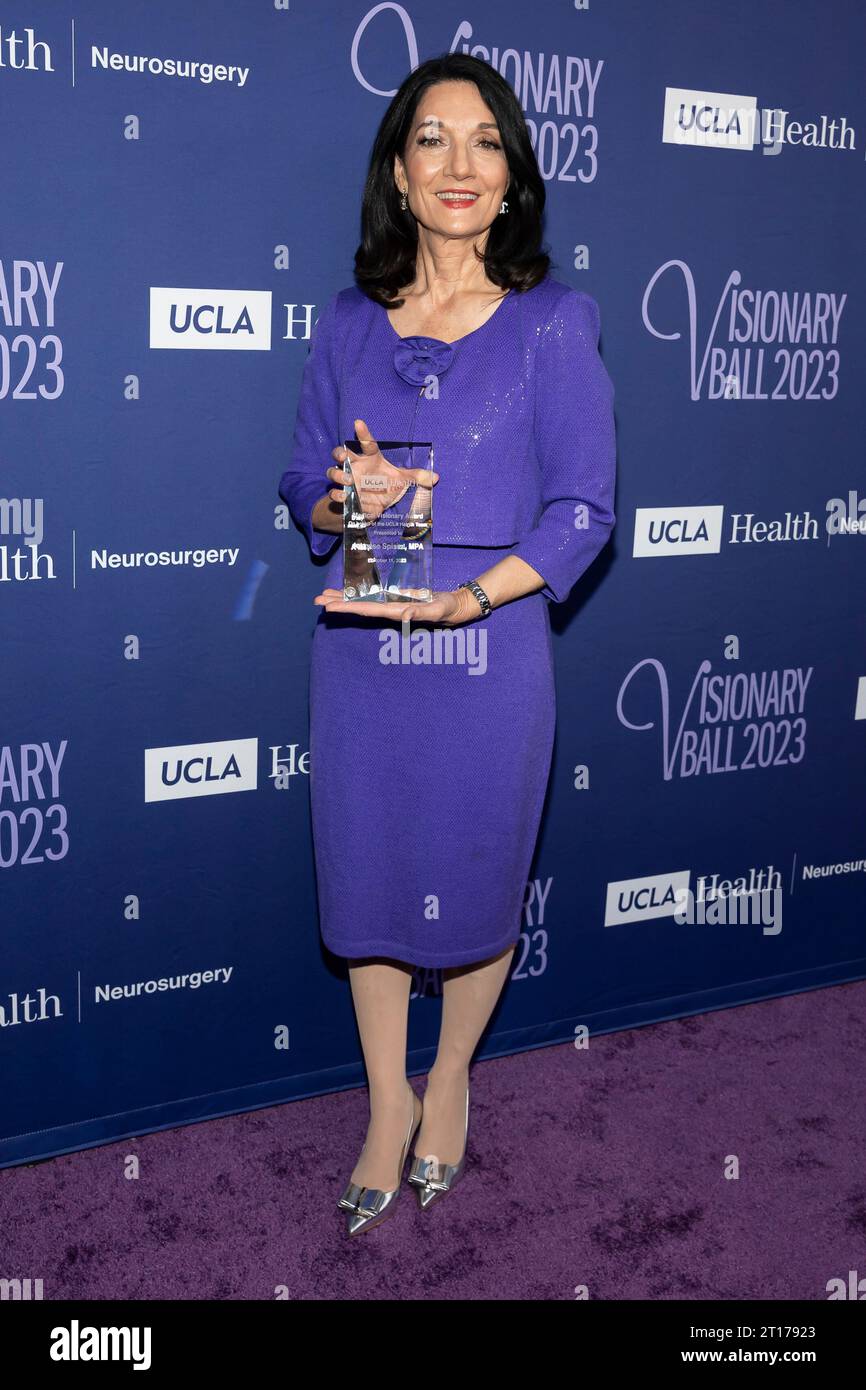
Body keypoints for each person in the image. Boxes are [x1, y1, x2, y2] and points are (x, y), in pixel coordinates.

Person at [279, 51, 617, 1236]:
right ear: (397, 170)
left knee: (477, 877)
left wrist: (471, 603)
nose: (459, 163)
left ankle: (452, 1075)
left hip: (487, 658)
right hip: (363, 657)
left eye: (485, 142)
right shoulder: (342, 324)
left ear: (514, 178)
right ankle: (384, 1097)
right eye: (432, 139)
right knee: (365, 876)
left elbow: (583, 508)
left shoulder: (552, 325)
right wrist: (345, 498)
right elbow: (302, 486)